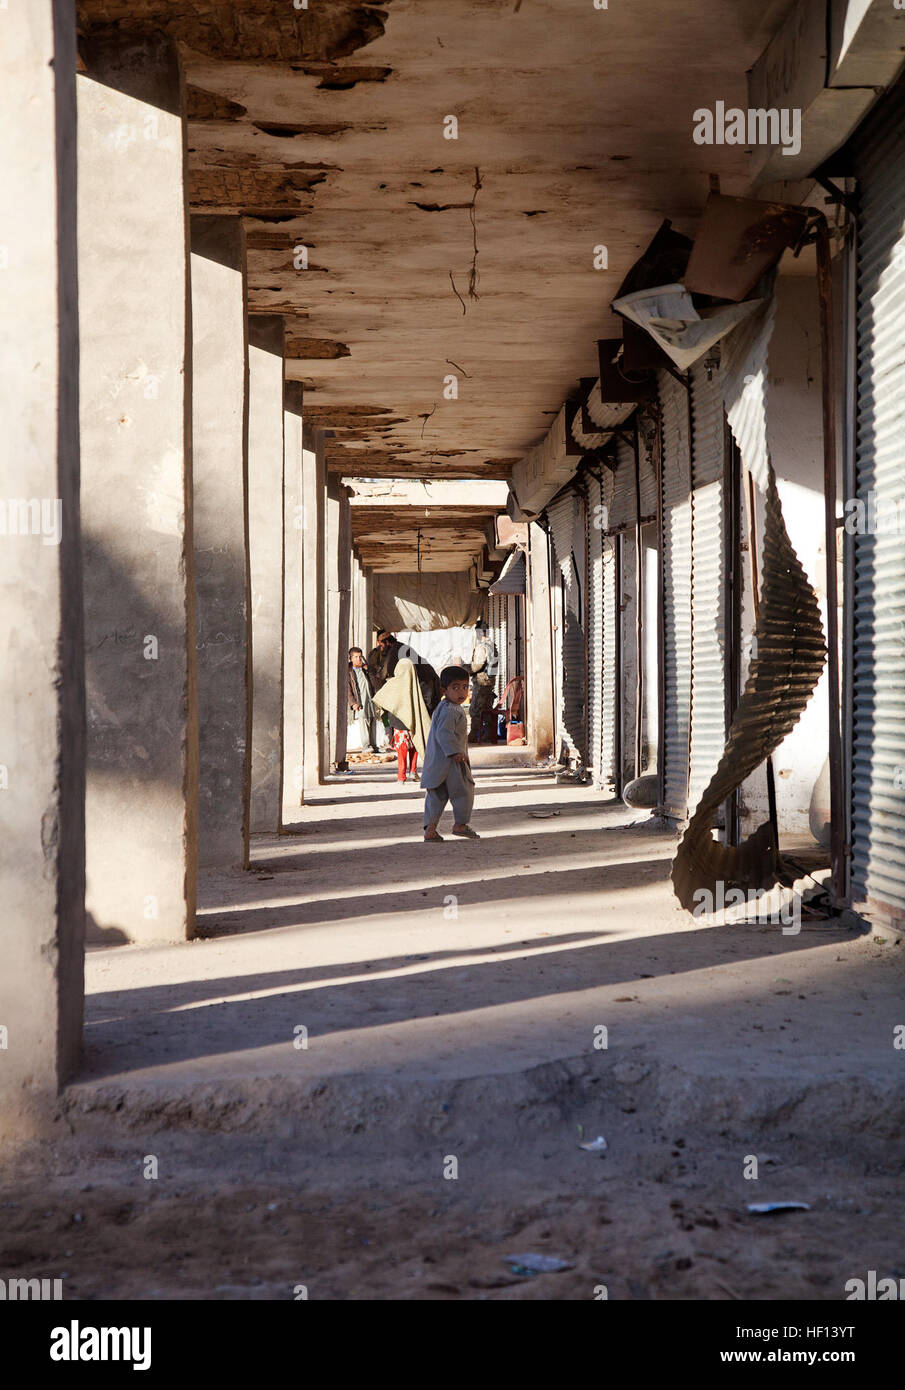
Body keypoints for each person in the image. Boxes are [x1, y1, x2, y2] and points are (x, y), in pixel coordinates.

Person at [420, 665, 479, 841]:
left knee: (436, 796)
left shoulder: (445, 706)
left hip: (437, 763)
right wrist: (454, 752)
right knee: (464, 792)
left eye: (465, 687)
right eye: (455, 687)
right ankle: (460, 825)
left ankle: (430, 830)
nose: (461, 692)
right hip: (452, 763)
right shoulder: (451, 710)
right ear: (444, 690)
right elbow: (444, 733)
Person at [372, 657, 431, 785]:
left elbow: (381, 700)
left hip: (399, 725)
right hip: (414, 723)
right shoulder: (418, 685)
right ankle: (413, 772)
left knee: (402, 751)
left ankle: (401, 776)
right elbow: (428, 701)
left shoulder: (392, 684)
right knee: (414, 748)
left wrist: (388, 725)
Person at [347, 647, 380, 754]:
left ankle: (374, 745)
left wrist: (368, 669)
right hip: (360, 700)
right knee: (364, 720)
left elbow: (375, 680)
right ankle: (366, 745)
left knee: (372, 720)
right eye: (356, 657)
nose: (358, 659)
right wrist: (353, 703)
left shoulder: (365, 669)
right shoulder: (349, 671)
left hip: (370, 698)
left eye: (360, 657)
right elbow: (348, 689)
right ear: (351, 658)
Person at [469, 669, 497, 744]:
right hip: (487, 681)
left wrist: (467, 668)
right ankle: (488, 734)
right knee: (487, 709)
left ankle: (473, 735)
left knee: (476, 709)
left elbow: (478, 665)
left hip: (481, 681)